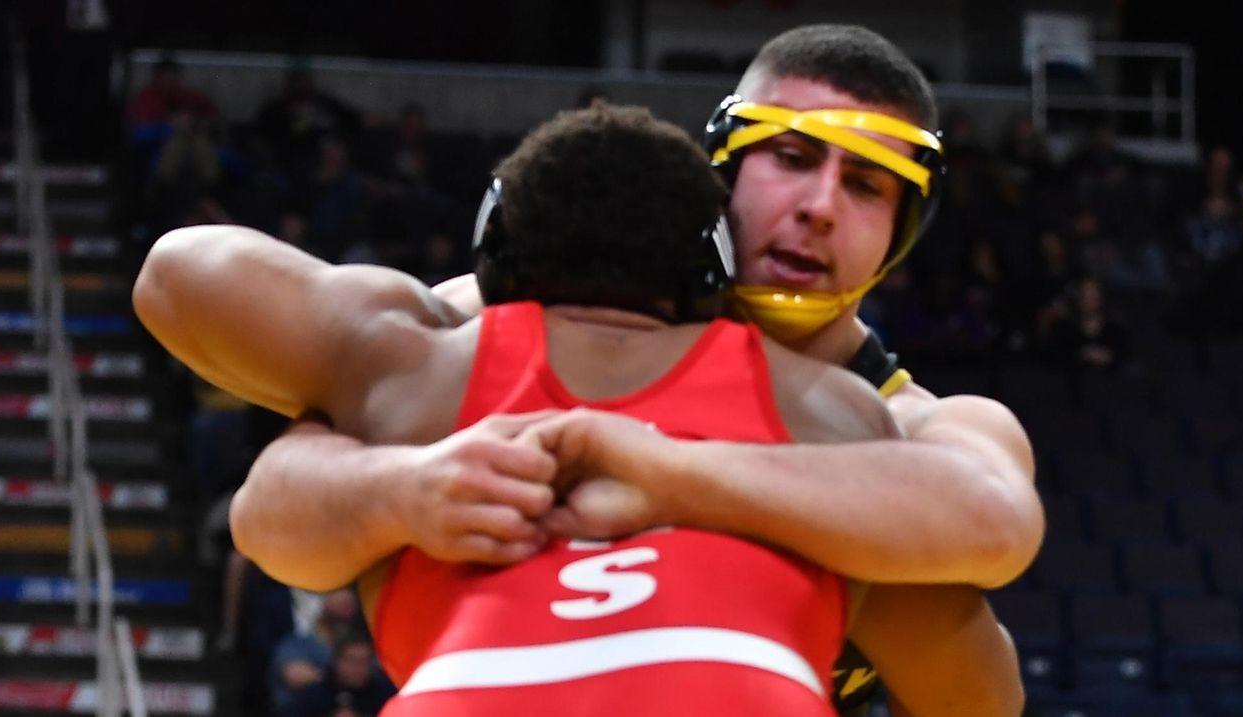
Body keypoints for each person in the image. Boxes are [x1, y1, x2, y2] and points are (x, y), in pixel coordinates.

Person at [135, 25, 1042, 717]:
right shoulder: (505, 316)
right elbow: (256, 454)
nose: (817, 209)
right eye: (795, 160)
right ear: (718, 165)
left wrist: (655, 468)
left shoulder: (909, 424)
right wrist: (403, 482)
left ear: (903, 232)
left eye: (867, 187)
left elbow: (991, 565)